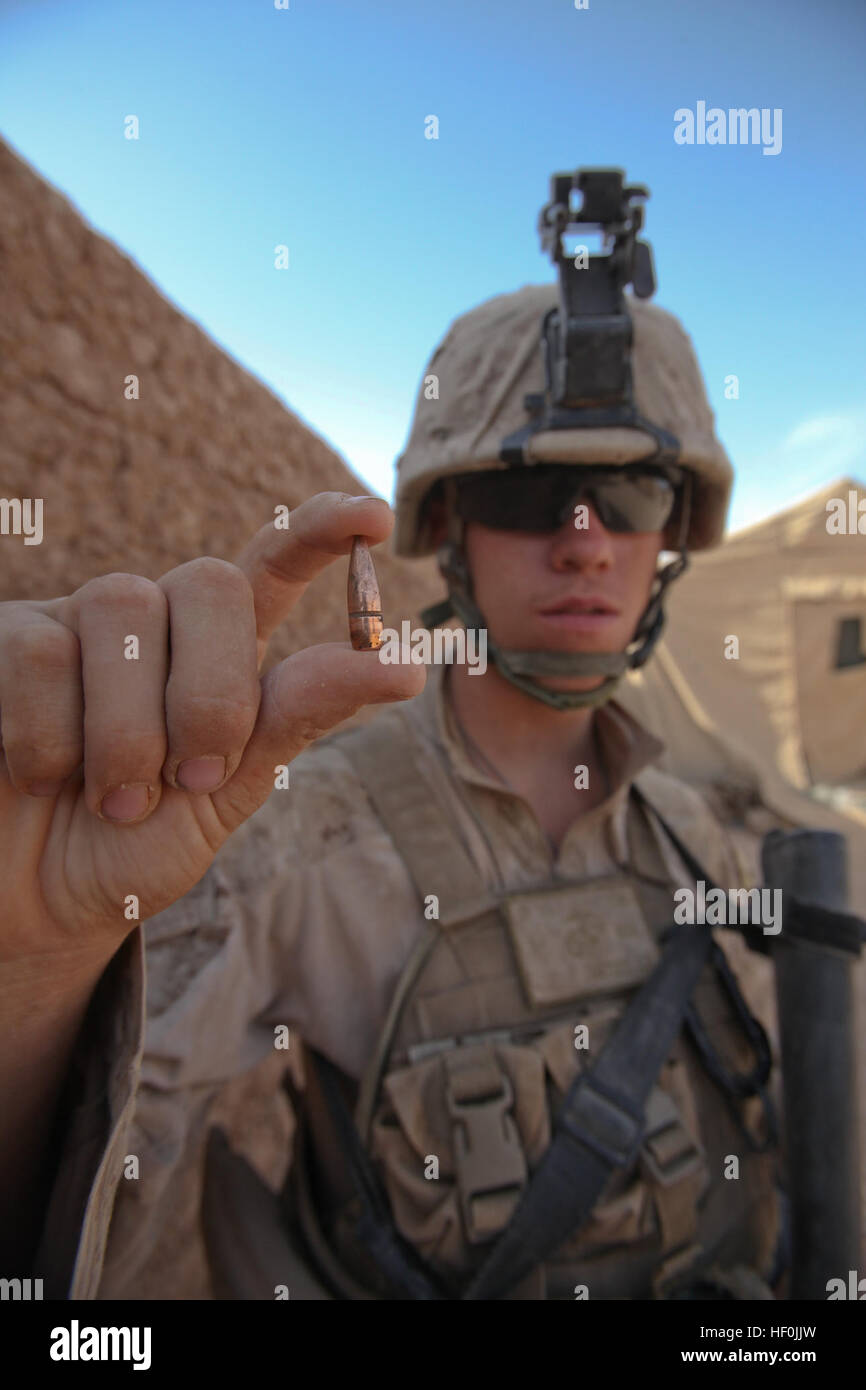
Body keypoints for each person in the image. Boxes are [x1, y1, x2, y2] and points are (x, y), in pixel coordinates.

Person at [0, 181, 788, 1302]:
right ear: (448, 529)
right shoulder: (309, 836)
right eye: (534, 495)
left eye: (627, 490)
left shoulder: (693, 832)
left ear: (670, 531)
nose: (583, 543)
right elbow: (75, 1235)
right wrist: (34, 982)